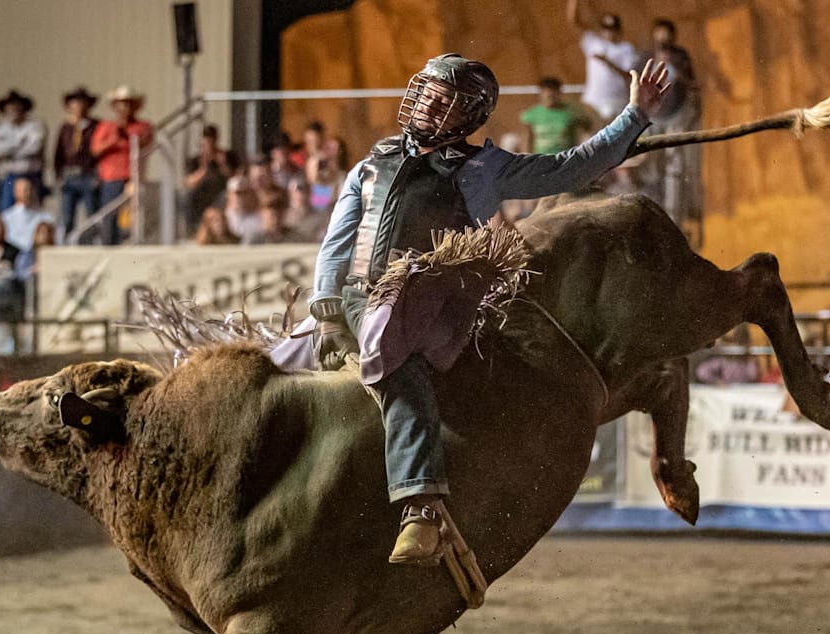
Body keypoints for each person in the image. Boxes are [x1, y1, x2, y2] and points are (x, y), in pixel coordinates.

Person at [299, 53, 669, 566]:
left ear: (469, 116)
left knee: (401, 363)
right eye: (426, 91)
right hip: (359, 298)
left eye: (442, 100)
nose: (427, 102)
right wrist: (324, 301)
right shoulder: (372, 163)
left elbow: (569, 167)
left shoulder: (484, 169)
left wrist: (635, 115)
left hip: (425, 301)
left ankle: (421, 507)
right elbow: (338, 239)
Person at [640, 18, 703, 238]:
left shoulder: (680, 56)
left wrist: (675, 66)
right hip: (652, 120)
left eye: (667, 37)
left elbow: (693, 84)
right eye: (660, 36)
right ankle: (653, 221)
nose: (663, 41)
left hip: (676, 118)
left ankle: (674, 223)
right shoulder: (646, 57)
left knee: (675, 170)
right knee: (651, 170)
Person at [90, 85, 154, 245]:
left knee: (133, 218)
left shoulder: (143, 126)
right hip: (111, 178)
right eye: (121, 103)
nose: (124, 107)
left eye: (127, 103)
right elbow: (95, 149)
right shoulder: (106, 127)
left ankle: (132, 244)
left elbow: (147, 142)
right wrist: (114, 139)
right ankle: (108, 245)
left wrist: (129, 136)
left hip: (133, 179)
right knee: (109, 216)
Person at [566, 1, 641, 123]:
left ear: (618, 30)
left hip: (616, 101)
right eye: (606, 29)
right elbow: (574, 22)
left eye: (612, 29)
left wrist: (606, 61)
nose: (609, 32)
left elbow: (627, 74)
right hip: (593, 100)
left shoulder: (626, 49)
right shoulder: (594, 43)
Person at [53, 86, 100, 241]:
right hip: (69, 175)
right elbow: (58, 154)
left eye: (81, 102)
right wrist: (59, 175)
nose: (78, 106)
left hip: (87, 174)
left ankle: (93, 242)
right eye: (75, 103)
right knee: (67, 216)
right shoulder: (66, 128)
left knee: (92, 213)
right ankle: (66, 243)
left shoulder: (95, 126)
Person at [0, 89, 47, 213]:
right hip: (9, 177)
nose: (13, 110)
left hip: (31, 175)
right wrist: (19, 144)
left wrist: (8, 150)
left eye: (17, 106)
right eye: (10, 107)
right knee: (6, 208)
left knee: (34, 210)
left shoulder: (35, 126)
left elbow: (34, 147)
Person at [184, 123, 236, 237]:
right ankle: (192, 230)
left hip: (221, 192)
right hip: (201, 194)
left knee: (225, 196)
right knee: (188, 196)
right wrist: (203, 169)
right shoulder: (195, 160)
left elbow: (234, 179)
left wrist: (223, 165)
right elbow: (188, 182)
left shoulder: (227, 156)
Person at [521, 77, 586, 154]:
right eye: (547, 94)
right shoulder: (531, 114)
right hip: (540, 157)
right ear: (540, 94)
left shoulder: (571, 112)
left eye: (553, 93)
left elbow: (583, 131)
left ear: (559, 93)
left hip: (565, 157)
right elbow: (526, 139)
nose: (550, 96)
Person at [0, 176, 54, 253]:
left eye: (30, 189)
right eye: (25, 190)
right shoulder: (6, 217)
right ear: (15, 192)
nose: (28, 193)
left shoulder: (46, 217)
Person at [694, 325, 760, 384]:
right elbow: (702, 372)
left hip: (744, 390)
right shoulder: (720, 359)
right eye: (729, 342)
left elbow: (752, 376)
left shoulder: (748, 357)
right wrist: (717, 382)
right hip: (727, 390)